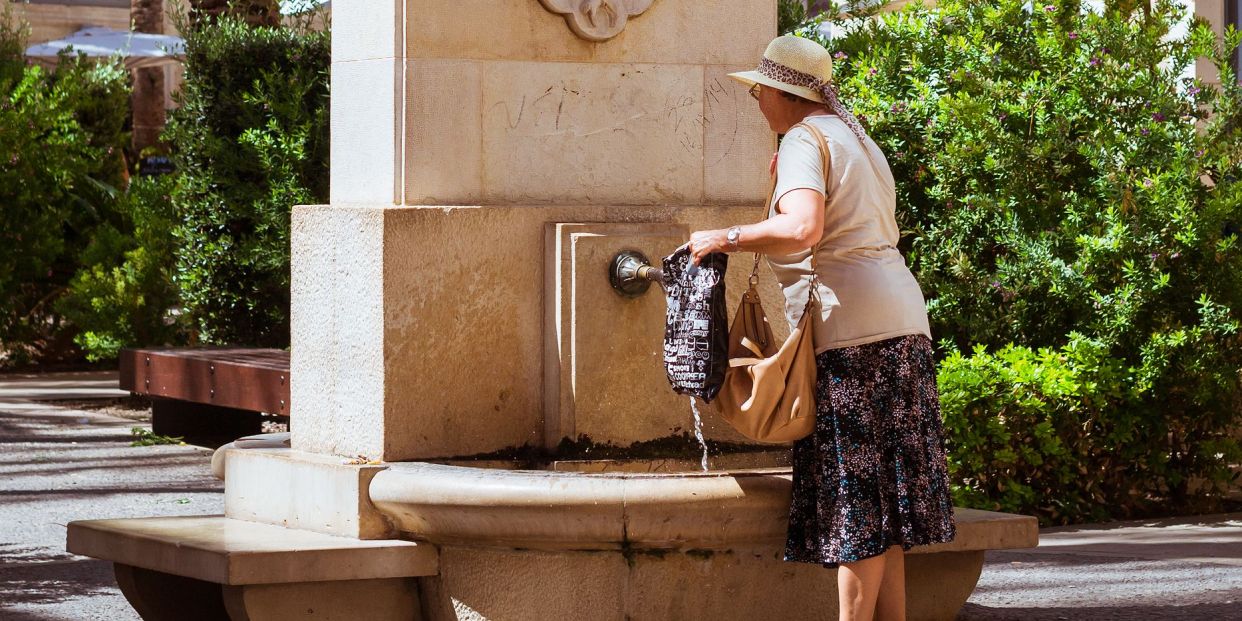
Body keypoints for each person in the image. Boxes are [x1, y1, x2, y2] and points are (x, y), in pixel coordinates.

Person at [688, 35, 957, 621]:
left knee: (856, 505)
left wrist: (722, 236)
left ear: (786, 93)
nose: (757, 100)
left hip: (853, 331)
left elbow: (803, 228)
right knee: (883, 509)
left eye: (760, 89)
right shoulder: (856, 139)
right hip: (903, 324)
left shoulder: (806, 140)